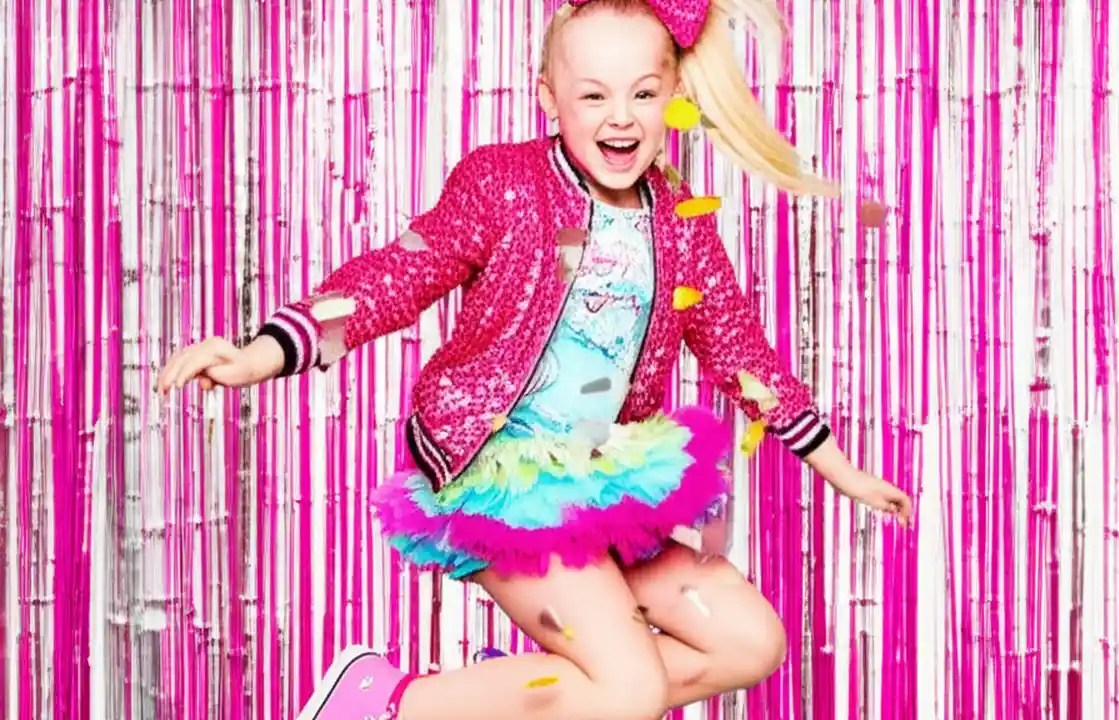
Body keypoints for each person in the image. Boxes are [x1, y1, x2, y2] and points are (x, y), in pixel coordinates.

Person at [156, 0, 913, 718]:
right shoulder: (503, 185)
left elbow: (741, 351)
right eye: (593, 96)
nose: (620, 117)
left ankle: (518, 705)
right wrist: (263, 351)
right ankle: (383, 703)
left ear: (673, 95)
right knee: (626, 694)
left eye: (643, 93)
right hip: (501, 471)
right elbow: (401, 274)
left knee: (752, 643)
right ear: (549, 98)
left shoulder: (680, 223)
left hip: (605, 472)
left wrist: (845, 472)